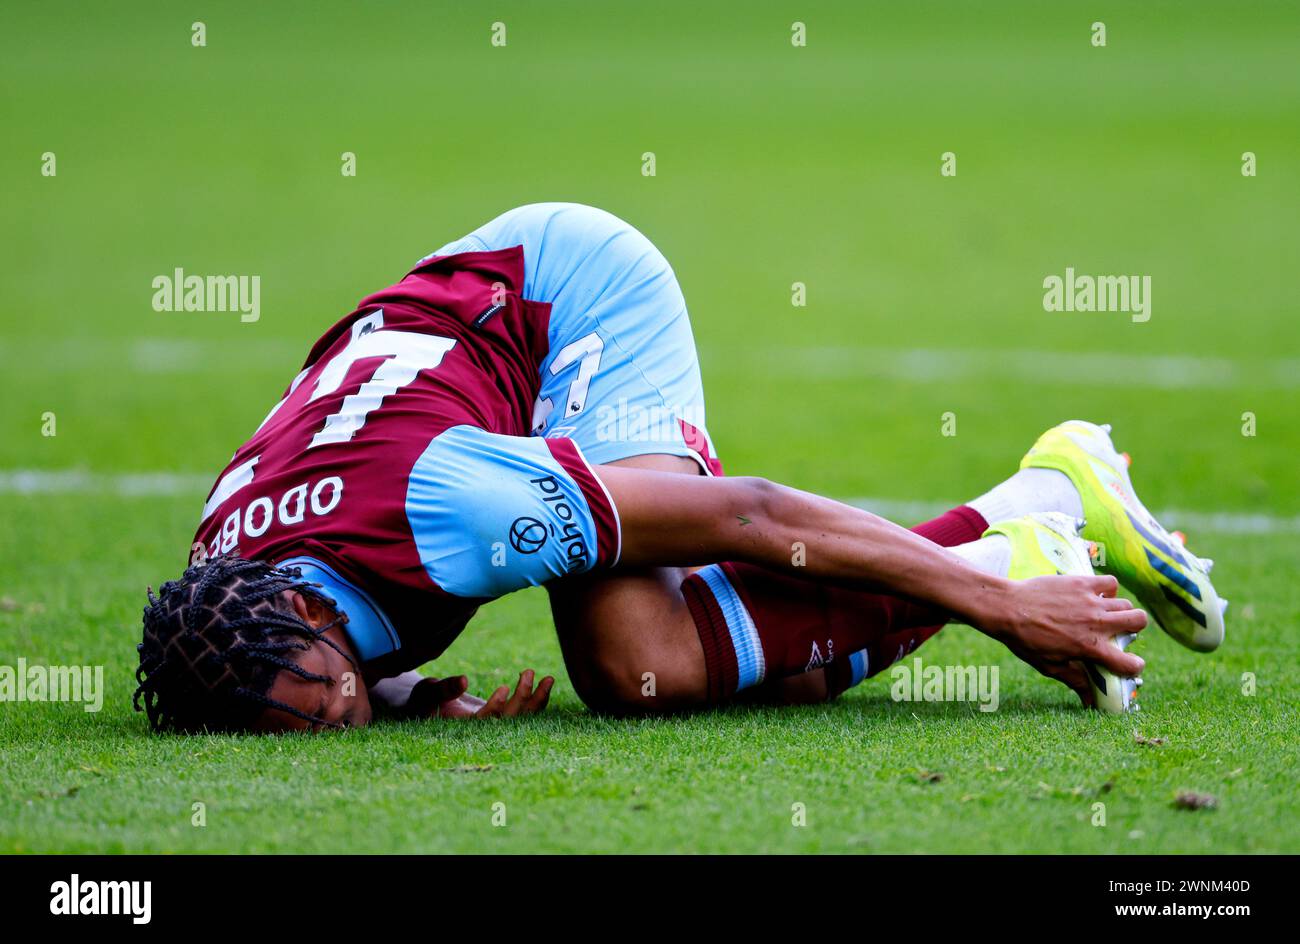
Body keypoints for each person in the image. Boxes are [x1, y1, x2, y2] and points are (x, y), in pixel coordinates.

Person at [134, 204, 1223, 733]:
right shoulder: (212, 608)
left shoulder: (440, 511)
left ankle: (1028, 519)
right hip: (454, 348)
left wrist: (996, 607)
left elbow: (743, 514)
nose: (335, 718)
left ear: (295, 608)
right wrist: (412, 695)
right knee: (740, 669)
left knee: (637, 657)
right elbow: (301, 666)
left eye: (327, 700)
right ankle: (1010, 520)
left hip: (573, 298)